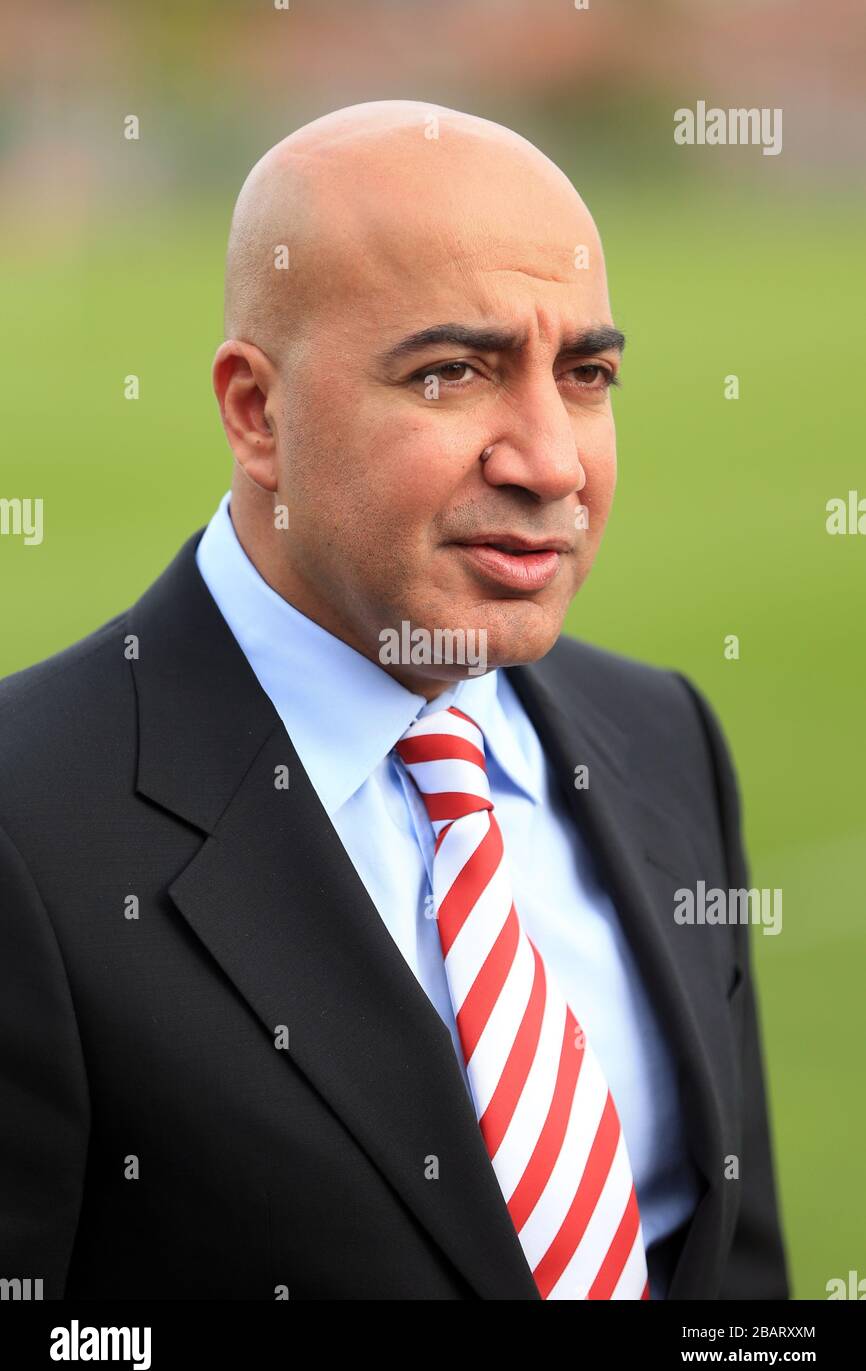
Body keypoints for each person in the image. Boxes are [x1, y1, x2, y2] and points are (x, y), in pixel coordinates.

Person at [0, 100, 789, 1300]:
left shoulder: (664, 737)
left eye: (585, 374)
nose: (550, 462)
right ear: (256, 411)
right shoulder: (30, 825)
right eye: (451, 373)